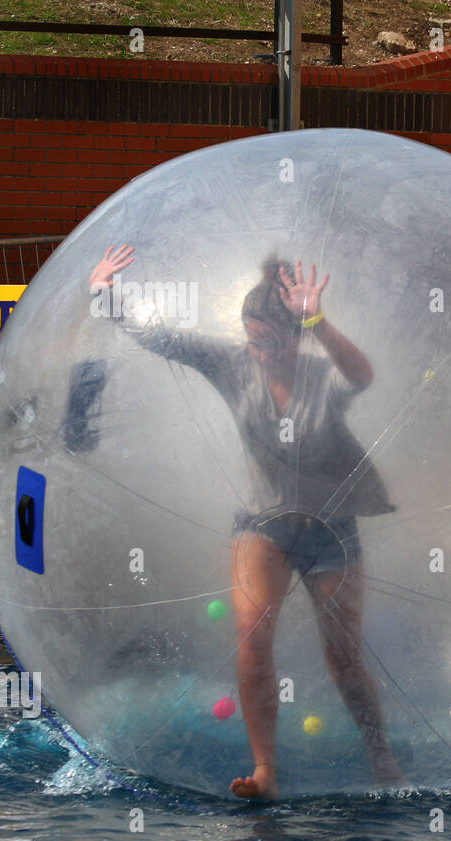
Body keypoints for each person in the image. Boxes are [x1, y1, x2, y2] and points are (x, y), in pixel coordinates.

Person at [89, 246, 401, 798]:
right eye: (252, 339)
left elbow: (363, 374)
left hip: (331, 530)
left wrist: (319, 321)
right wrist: (106, 297)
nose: (258, 352)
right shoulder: (232, 362)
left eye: (270, 341)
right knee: (252, 638)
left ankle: (382, 758)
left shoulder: (322, 376)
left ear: (296, 335)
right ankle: (265, 771)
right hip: (263, 522)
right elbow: (164, 339)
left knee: (344, 657)